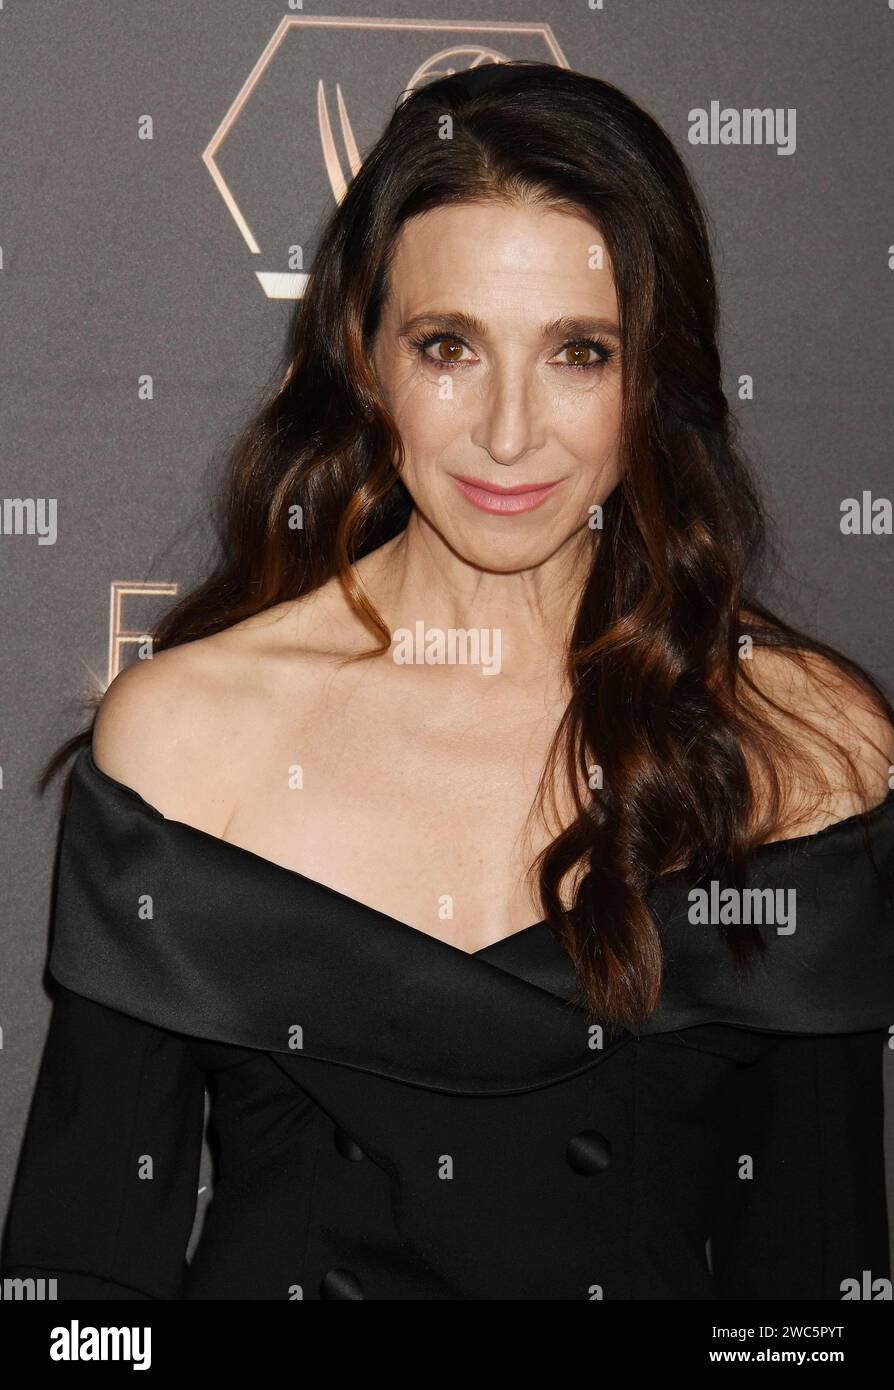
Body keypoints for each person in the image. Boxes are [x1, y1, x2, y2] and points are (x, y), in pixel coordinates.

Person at [3, 60, 893, 1301]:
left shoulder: (800, 751)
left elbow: (815, 1301)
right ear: (365, 356)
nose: (511, 432)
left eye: (579, 352)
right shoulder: (187, 742)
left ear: (656, 378)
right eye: (449, 348)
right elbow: (79, 1301)